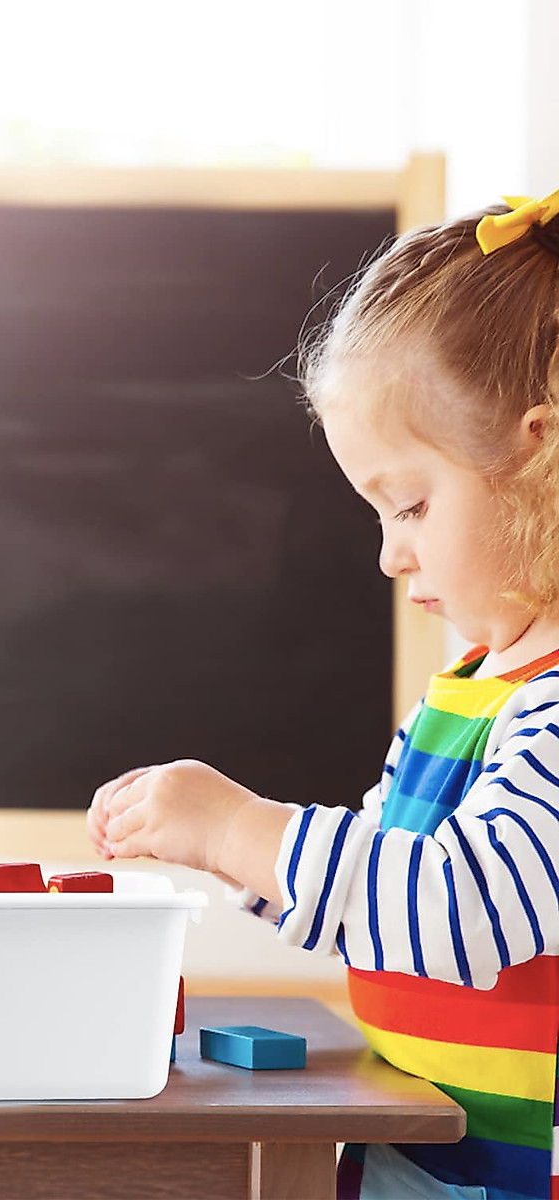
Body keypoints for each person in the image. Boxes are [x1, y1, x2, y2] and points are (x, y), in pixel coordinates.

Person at [87, 188, 559, 1200]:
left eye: (413, 505)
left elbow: (463, 910)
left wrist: (238, 829)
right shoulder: (471, 689)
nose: (390, 554)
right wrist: (223, 854)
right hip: (418, 1150)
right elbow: (374, 900)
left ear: (539, 458)